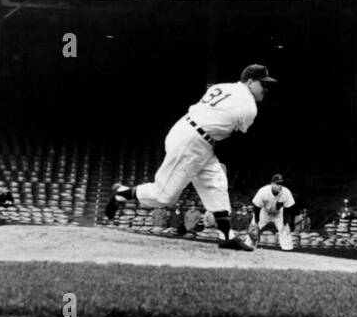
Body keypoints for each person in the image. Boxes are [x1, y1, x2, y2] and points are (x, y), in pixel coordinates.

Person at [104, 64, 278, 251]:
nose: (266, 89)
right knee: (164, 197)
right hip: (192, 141)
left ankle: (226, 235)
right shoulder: (249, 106)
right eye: (263, 84)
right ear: (250, 82)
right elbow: (233, 142)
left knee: (217, 183)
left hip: (193, 133)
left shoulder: (223, 86)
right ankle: (122, 192)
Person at [251, 173, 297, 250]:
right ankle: (249, 246)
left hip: (278, 214)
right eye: (277, 183)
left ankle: (288, 250)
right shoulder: (263, 191)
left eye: (281, 184)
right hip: (264, 212)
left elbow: (288, 209)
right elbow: (256, 207)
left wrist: (286, 224)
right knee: (253, 229)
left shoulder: (286, 192)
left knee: (285, 230)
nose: (280, 186)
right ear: (272, 183)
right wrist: (256, 222)